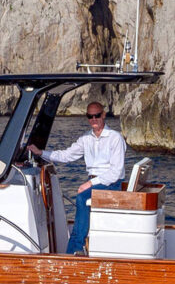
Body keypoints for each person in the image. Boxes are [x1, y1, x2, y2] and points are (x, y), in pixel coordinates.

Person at [31, 102, 127, 255]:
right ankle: (74, 248)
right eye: (90, 116)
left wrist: (90, 183)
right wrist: (41, 153)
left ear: (103, 115)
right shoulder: (85, 138)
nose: (93, 119)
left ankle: (76, 248)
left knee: (82, 197)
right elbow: (66, 155)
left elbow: (115, 172)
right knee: (83, 196)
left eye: (97, 115)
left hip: (112, 183)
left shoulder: (115, 138)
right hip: (96, 183)